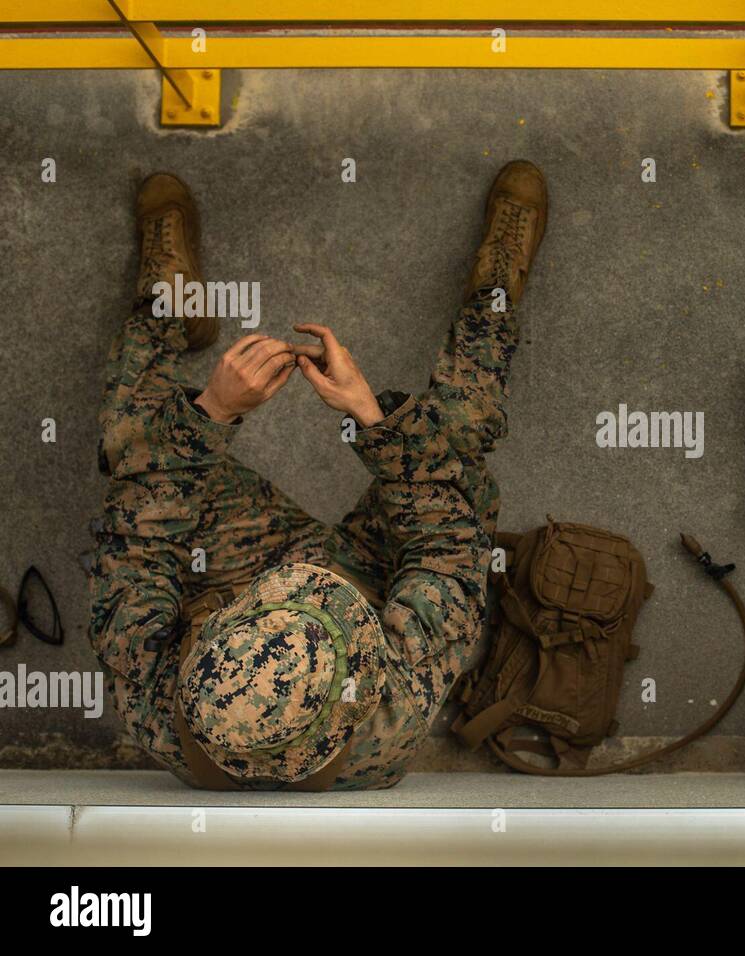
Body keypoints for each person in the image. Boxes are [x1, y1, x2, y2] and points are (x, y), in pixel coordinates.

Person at [88, 161, 547, 790]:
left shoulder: (161, 707)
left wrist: (213, 411)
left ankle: (166, 306)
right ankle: (492, 296)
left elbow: (135, 530)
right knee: (455, 450)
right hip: (369, 576)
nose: (301, 580)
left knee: (128, 444)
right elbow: (450, 539)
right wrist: (371, 417)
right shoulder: (389, 718)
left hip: (234, 577)